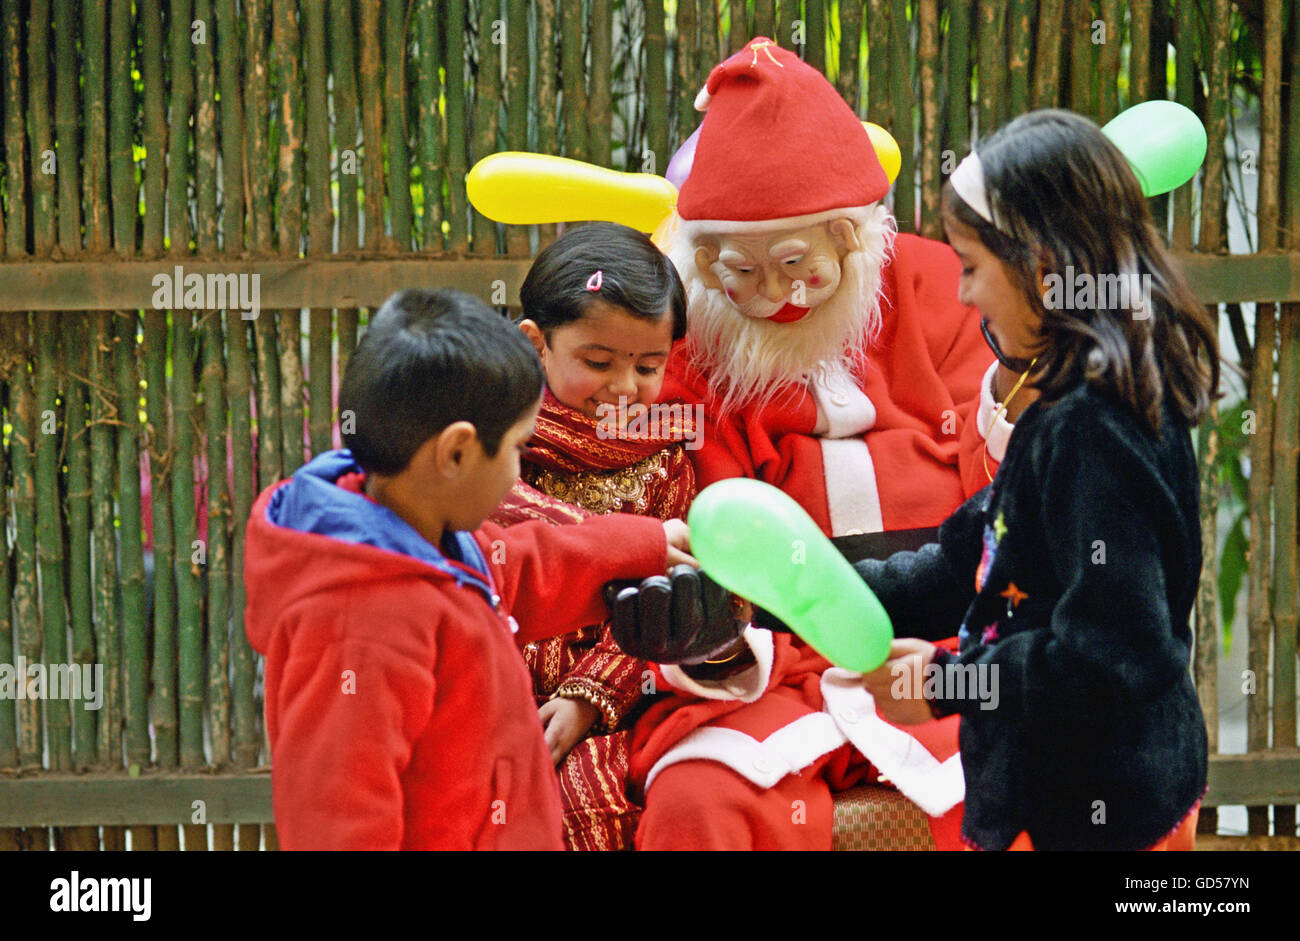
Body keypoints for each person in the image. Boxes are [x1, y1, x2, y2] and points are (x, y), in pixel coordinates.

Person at [608, 37, 1003, 851]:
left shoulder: (936, 286)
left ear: (848, 238)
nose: (770, 297)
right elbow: (692, 513)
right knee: (696, 801)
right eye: (736, 272)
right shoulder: (688, 340)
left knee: (1044, 779)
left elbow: (1004, 477)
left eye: (794, 265)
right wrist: (712, 633)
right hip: (770, 660)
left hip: (946, 632)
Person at [853, 109, 1216, 849]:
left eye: (972, 266)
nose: (962, 295)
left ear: (1043, 269)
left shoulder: (1094, 430)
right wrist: (778, 594)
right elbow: (969, 564)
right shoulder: (1073, 406)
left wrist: (951, 681)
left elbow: (1113, 658)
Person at [243, 288, 693, 850]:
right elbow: (339, 814)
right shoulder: (359, 619)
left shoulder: (419, 535)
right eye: (515, 449)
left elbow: (521, 566)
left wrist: (646, 543)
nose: (515, 477)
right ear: (455, 453)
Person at [487, 222, 697, 850]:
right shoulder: (494, 443)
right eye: (598, 362)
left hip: (613, 705)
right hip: (489, 685)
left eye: (648, 366)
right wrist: (628, 540)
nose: (625, 388)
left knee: (591, 800)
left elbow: (664, 600)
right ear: (536, 344)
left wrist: (586, 700)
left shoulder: (668, 461)